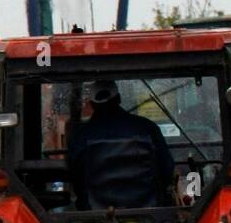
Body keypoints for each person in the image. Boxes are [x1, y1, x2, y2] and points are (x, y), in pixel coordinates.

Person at [68, 79, 176, 208]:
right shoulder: (147, 128)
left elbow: (75, 179)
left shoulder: (81, 136)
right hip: (150, 215)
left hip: (95, 219)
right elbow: (167, 170)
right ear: (119, 98)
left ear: (92, 104)